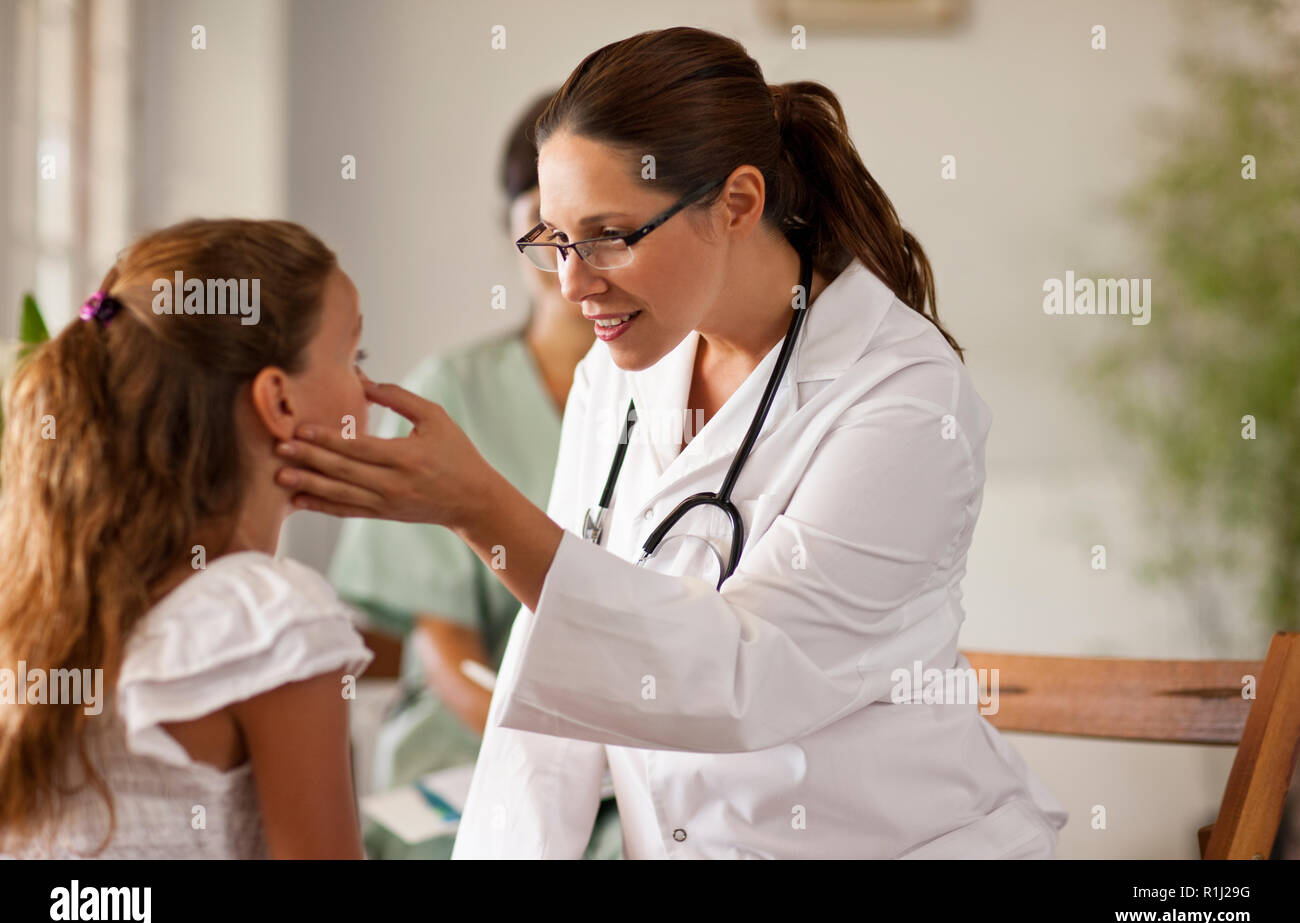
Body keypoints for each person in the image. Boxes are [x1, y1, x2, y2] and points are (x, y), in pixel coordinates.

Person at [274, 27, 1069, 859]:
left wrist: (480, 508)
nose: (572, 283)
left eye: (610, 235)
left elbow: (743, 679)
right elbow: (555, 699)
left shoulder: (904, 398)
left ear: (737, 203)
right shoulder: (621, 368)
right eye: (554, 238)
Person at [0, 219, 373, 859]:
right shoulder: (272, 621)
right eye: (353, 358)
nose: (369, 388)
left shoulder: (44, 594)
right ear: (279, 402)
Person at [328, 92, 622, 859]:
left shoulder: (671, 389)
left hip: (633, 746)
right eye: (546, 223)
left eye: (602, 225)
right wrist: (557, 756)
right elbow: (445, 650)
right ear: (512, 227)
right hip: (472, 743)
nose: (573, 254)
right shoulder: (451, 391)